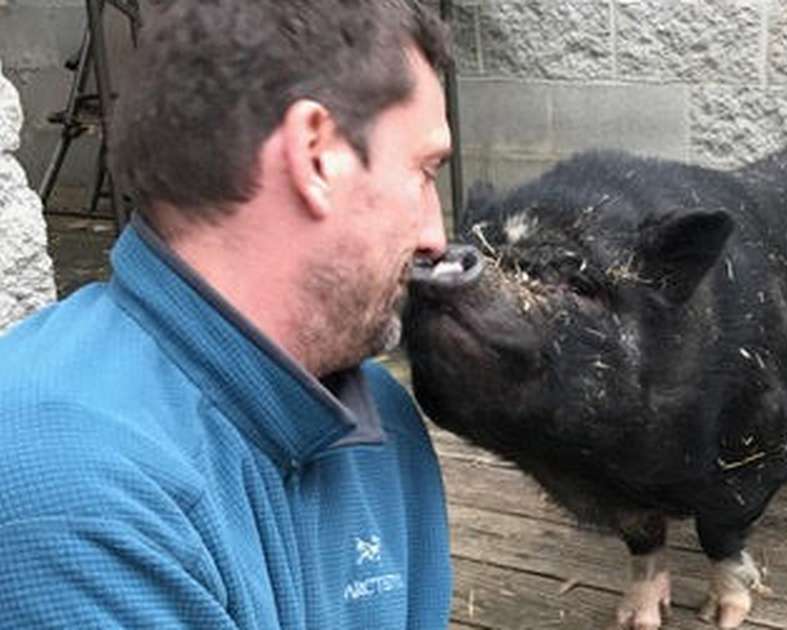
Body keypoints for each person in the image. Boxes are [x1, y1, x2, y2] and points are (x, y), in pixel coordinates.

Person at [0, 1, 456, 627]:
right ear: (316, 154)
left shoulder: (382, 421)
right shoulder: (67, 486)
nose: (436, 236)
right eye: (426, 171)